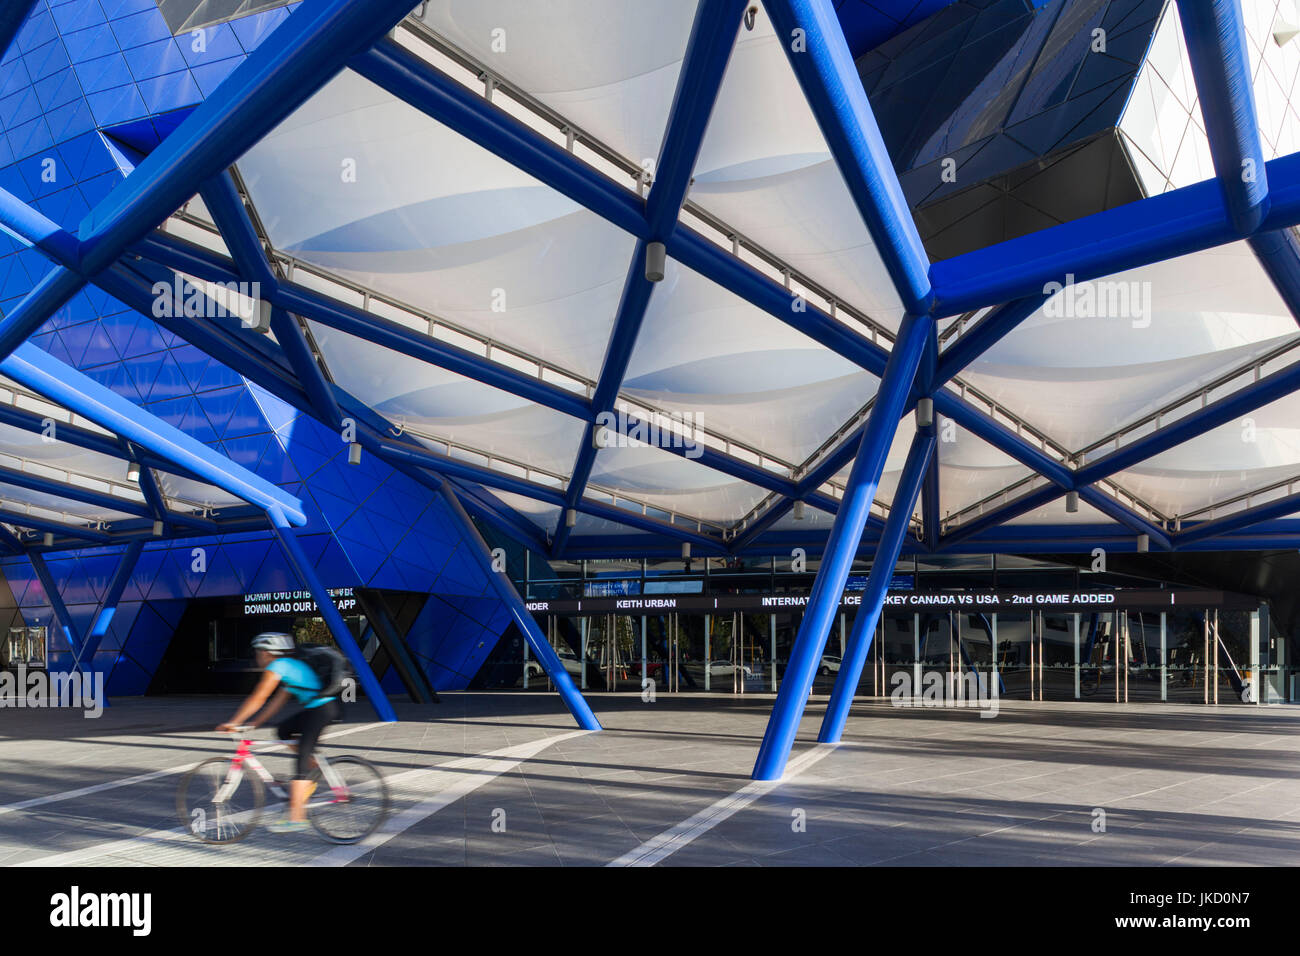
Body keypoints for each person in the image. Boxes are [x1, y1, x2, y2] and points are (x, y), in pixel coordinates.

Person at [217, 632, 339, 833]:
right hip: (321, 708)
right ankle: (315, 771)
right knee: (284, 730)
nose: (257, 656)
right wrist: (255, 723)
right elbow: (276, 702)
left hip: (322, 710)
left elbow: (260, 697)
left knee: (300, 761)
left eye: (258, 652)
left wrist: (234, 722)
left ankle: (297, 818)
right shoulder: (289, 667)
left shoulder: (277, 667)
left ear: (266, 653)